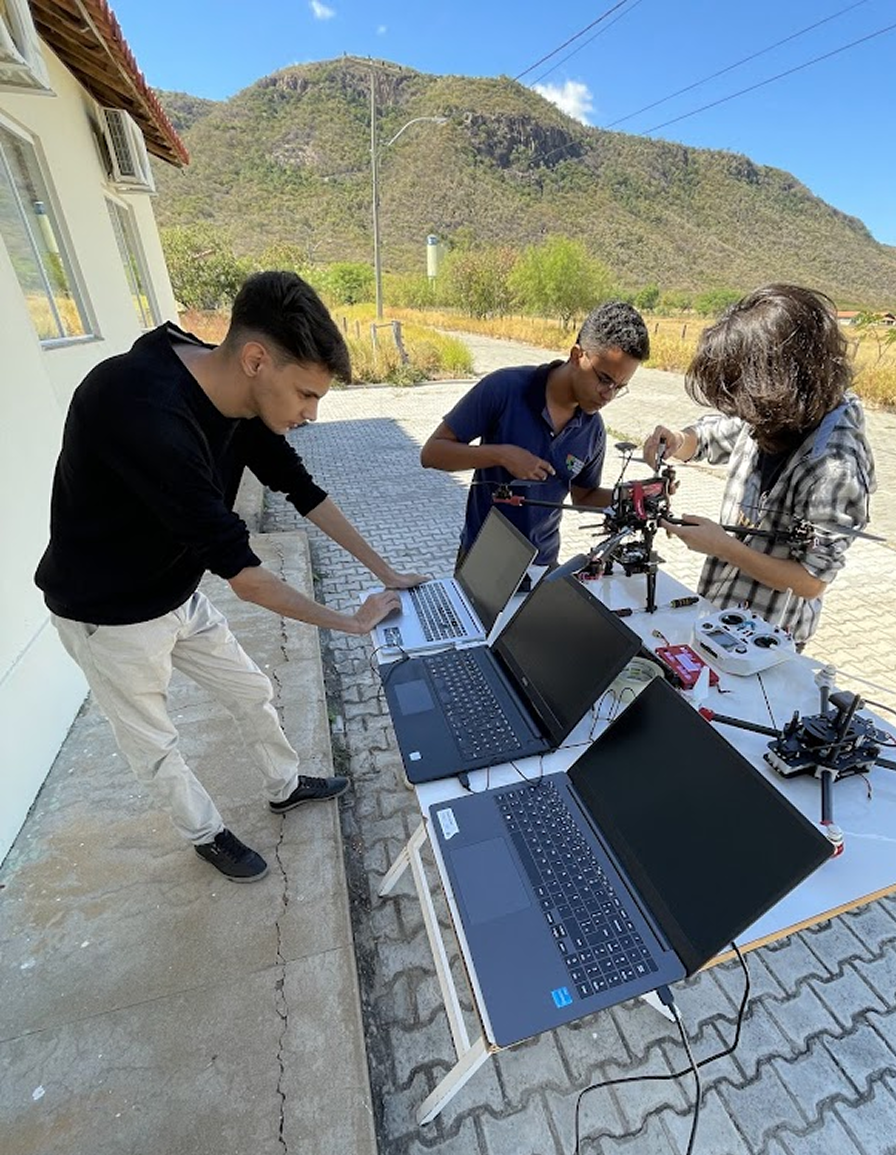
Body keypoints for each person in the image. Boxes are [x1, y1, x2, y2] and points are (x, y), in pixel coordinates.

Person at [35, 270, 425, 883]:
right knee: (157, 744)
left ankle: (285, 784)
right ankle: (206, 833)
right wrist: (349, 622)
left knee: (251, 690)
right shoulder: (146, 412)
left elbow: (302, 490)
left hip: (178, 592)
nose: (310, 413)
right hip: (107, 614)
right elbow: (246, 577)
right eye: (305, 394)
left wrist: (388, 571)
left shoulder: (238, 400)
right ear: (255, 359)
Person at [642, 283, 876, 647]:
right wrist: (677, 439)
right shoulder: (772, 414)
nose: (737, 408)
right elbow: (713, 435)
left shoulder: (834, 466)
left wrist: (723, 546)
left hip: (765, 642)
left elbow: (811, 580)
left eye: (740, 394)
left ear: (776, 382)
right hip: (718, 614)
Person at [420, 300, 650, 568]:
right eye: (604, 379)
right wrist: (501, 455)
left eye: (620, 387)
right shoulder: (505, 389)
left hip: (543, 564)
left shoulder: (593, 429)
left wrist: (635, 496)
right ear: (577, 355)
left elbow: (584, 496)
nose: (608, 395)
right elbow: (432, 453)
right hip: (482, 562)